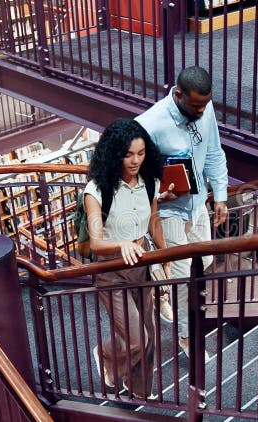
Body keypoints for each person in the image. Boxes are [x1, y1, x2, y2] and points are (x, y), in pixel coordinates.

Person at [136, 66, 229, 358]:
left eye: (206, 104)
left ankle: (160, 282)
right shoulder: (149, 126)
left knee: (205, 260)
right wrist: (159, 195)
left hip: (198, 204)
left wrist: (221, 196)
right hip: (168, 212)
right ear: (178, 95)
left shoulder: (205, 108)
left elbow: (213, 151)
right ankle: (186, 336)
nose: (202, 111)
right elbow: (132, 182)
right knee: (184, 277)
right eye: (196, 106)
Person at [86, 118, 168, 400]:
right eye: (128, 154)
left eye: (141, 153)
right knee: (136, 339)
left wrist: (165, 255)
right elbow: (96, 241)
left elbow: (153, 220)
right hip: (111, 269)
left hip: (141, 263)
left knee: (149, 335)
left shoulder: (149, 182)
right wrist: (121, 244)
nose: (136, 161)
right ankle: (106, 355)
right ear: (114, 154)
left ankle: (139, 391)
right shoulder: (97, 190)